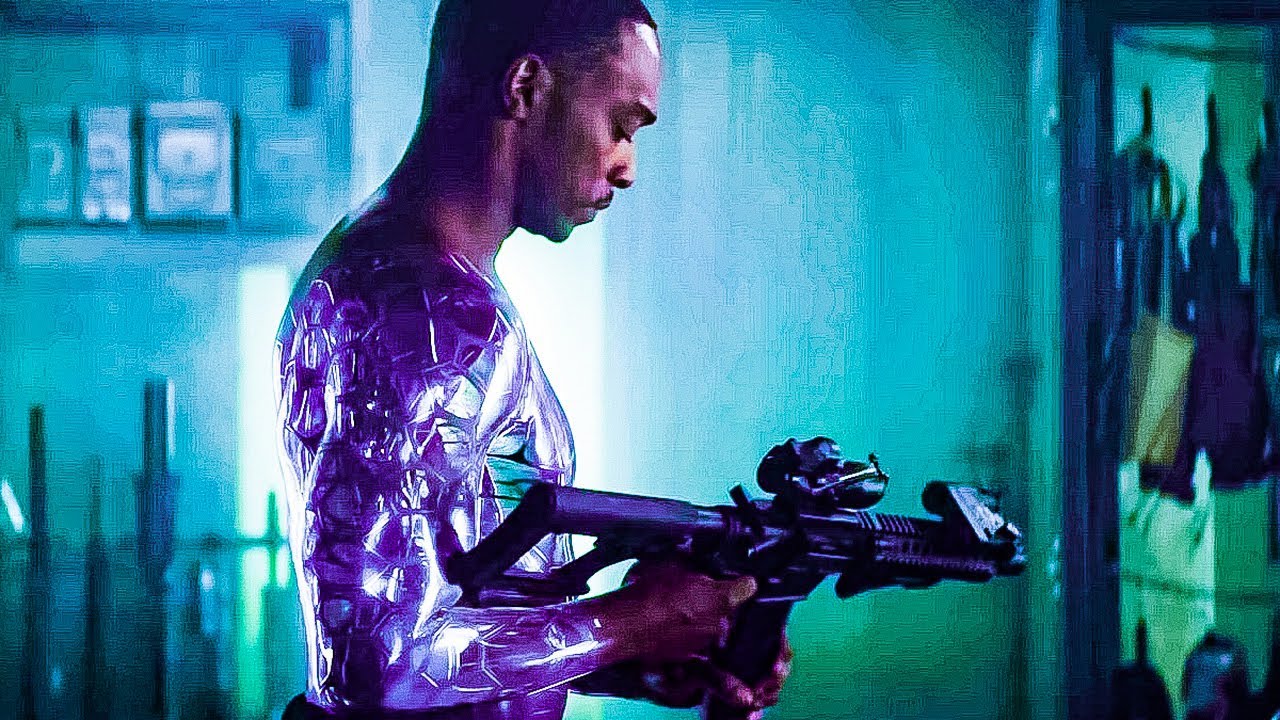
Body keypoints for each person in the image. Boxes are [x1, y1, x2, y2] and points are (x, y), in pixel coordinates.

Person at [273, 1, 792, 718]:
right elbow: (373, 664)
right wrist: (631, 622)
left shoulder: (415, 277)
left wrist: (635, 660)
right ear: (525, 87)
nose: (628, 167)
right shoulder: (427, 307)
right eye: (621, 126)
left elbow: (459, 612)